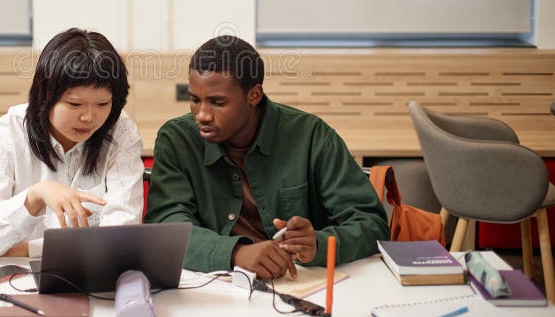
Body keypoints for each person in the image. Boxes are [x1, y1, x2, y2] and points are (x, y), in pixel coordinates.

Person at [144, 36, 388, 279]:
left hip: (303, 284)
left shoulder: (311, 136)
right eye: (195, 100)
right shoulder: (176, 140)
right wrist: (235, 253)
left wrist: (318, 244)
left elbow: (370, 224)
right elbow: (166, 226)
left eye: (217, 102)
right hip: (216, 286)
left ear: (254, 95)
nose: (203, 115)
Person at [0, 28, 144, 260]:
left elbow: (121, 236)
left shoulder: (121, 131)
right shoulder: (9, 132)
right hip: (17, 279)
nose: (89, 117)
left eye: (102, 103)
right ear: (45, 96)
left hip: (92, 275)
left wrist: (30, 250)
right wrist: (35, 196)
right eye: (75, 104)